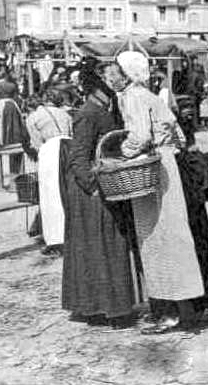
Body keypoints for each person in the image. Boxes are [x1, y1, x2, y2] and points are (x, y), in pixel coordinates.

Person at [116, 51, 208, 334]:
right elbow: (180, 136)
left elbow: (141, 136)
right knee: (178, 237)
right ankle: (187, 308)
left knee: (156, 240)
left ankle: (168, 312)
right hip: (170, 165)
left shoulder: (133, 96)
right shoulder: (151, 96)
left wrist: (122, 153)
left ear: (128, 73)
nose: (115, 77)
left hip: (152, 168)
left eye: (118, 71)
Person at [62, 58, 137, 328]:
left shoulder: (109, 108)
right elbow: (78, 157)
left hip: (106, 183)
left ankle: (107, 306)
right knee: (100, 247)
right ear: (99, 82)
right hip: (89, 191)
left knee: (109, 245)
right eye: (113, 75)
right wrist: (92, 187)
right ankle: (104, 308)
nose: (119, 79)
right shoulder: (88, 112)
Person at [26, 88, 72, 253]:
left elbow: (37, 143)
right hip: (69, 148)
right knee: (68, 192)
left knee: (51, 195)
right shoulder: (65, 114)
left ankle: (56, 239)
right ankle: (72, 233)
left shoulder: (34, 117)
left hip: (50, 151)